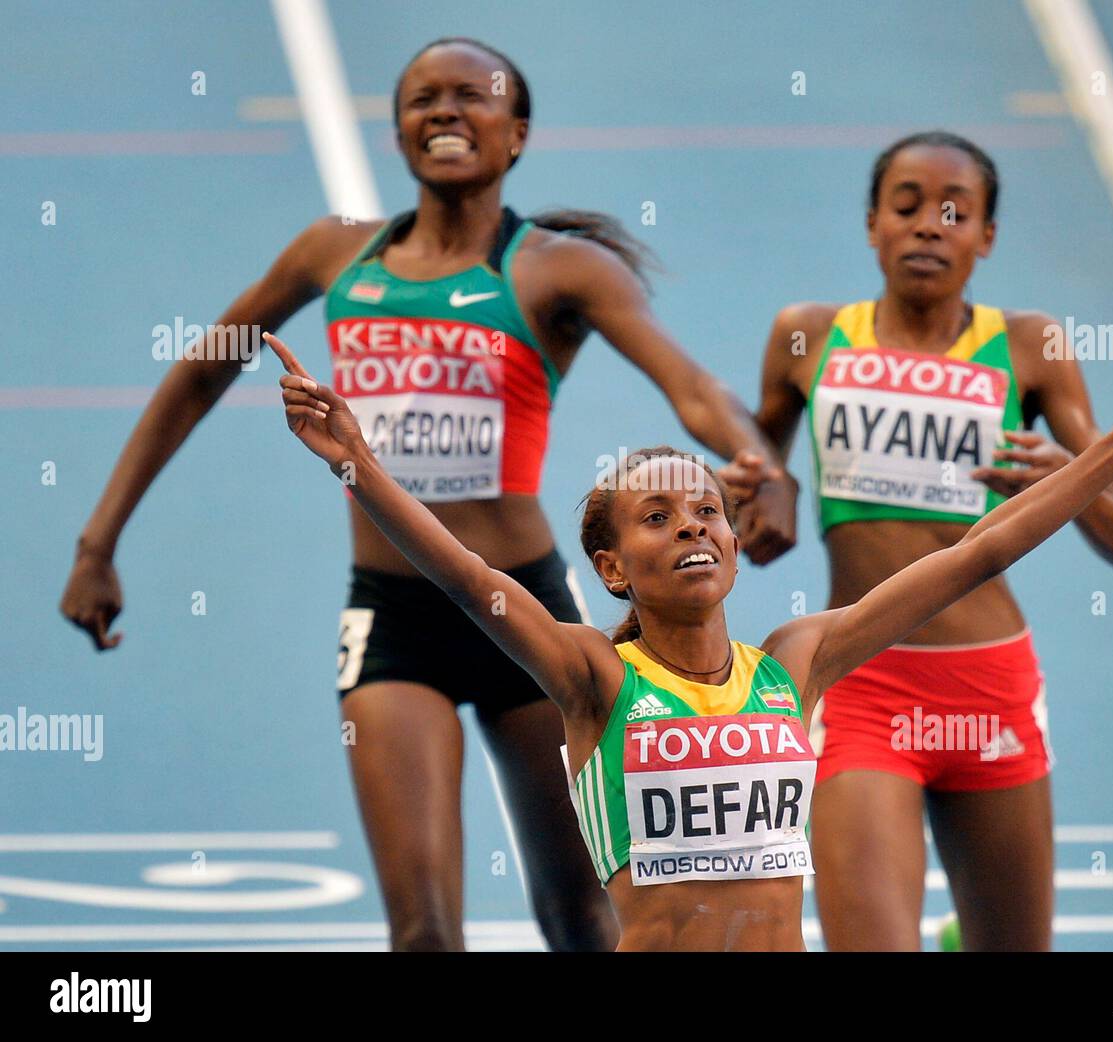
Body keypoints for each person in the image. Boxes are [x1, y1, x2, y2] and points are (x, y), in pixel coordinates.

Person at [58, 37, 796, 952]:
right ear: (399, 130)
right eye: (422, 99)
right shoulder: (332, 255)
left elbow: (691, 388)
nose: (445, 111)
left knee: (583, 914)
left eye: (470, 96)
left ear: (517, 134)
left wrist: (755, 460)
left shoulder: (555, 269)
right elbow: (202, 371)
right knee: (423, 933)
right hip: (392, 616)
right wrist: (99, 540)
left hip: (526, 613)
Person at [261, 313, 1113, 951]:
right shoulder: (591, 673)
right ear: (609, 568)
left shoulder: (797, 661)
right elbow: (469, 578)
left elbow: (979, 551)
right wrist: (358, 463)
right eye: (657, 517)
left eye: (707, 512)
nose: (691, 526)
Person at [729, 130, 1113, 950]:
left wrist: (1064, 477)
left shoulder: (1033, 346)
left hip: (988, 688)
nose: (930, 224)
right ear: (871, 225)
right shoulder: (809, 337)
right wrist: (753, 512)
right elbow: (757, 496)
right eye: (907, 205)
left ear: (986, 238)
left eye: (956, 212)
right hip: (859, 681)